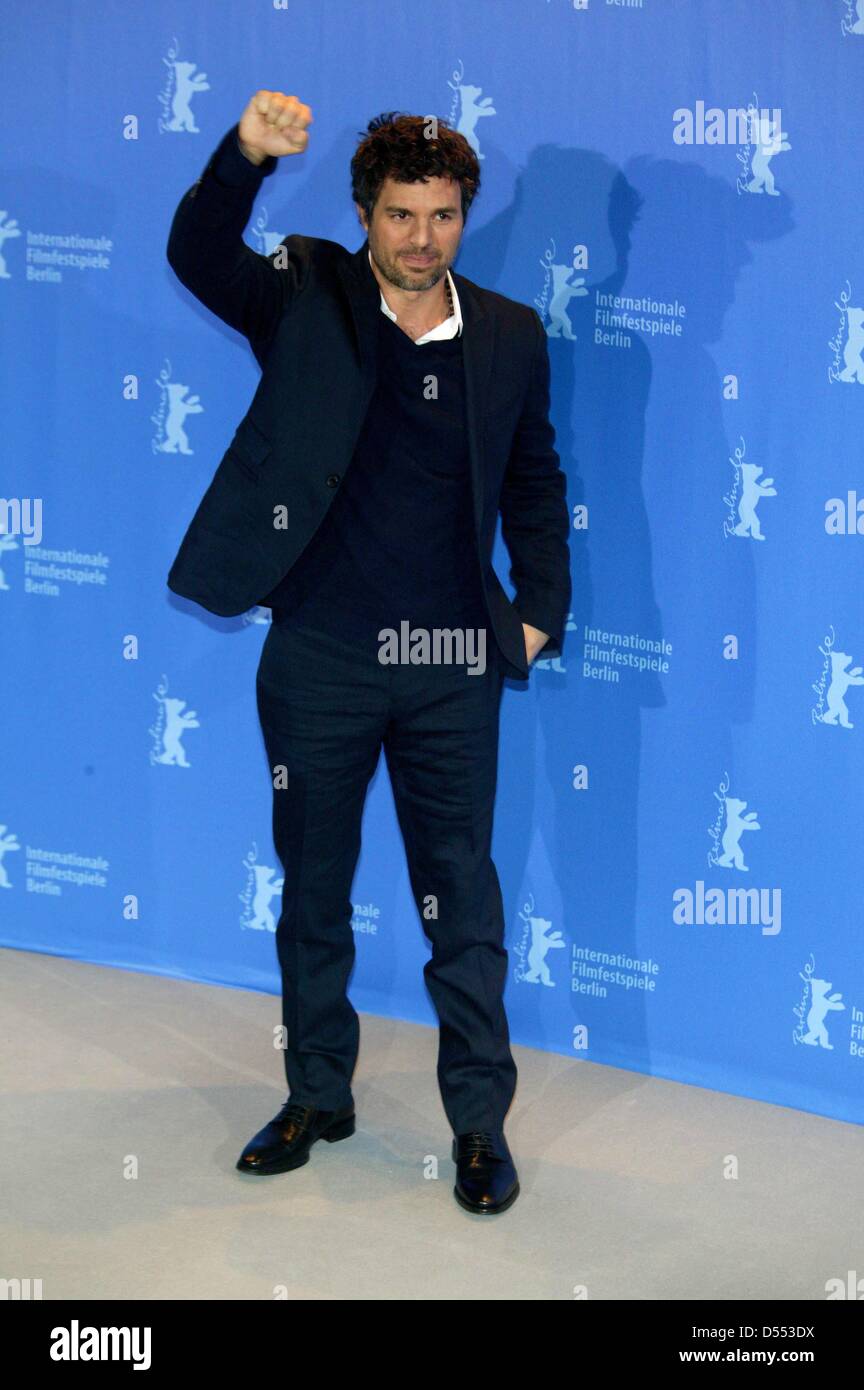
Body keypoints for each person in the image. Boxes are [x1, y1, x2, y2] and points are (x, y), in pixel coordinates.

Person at [166, 90, 571, 1214]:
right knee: (314, 890)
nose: (421, 238)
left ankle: (479, 1128)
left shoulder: (507, 334)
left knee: (463, 903)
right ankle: (317, 1095)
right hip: (323, 656)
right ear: (363, 213)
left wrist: (538, 610)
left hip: (451, 661)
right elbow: (199, 251)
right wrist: (245, 155)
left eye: (442, 216)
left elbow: (537, 479)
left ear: (462, 219)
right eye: (400, 215)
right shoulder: (305, 293)